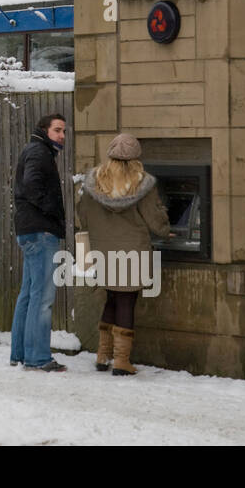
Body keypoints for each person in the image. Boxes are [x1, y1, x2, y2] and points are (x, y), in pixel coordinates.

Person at [75, 133, 172, 376]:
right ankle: (121, 361)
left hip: (104, 250)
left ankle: (102, 355)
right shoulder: (143, 183)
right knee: (126, 300)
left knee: (111, 297)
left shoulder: (93, 182)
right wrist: (166, 229)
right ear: (136, 158)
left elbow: (82, 216)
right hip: (133, 251)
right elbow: (155, 220)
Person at [10, 113, 68, 372]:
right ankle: (37, 357)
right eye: (57, 130)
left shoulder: (36, 150)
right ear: (44, 130)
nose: (62, 136)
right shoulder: (38, 152)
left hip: (30, 231)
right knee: (42, 298)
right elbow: (31, 186)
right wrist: (52, 212)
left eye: (64, 131)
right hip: (40, 232)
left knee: (28, 294)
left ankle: (19, 353)